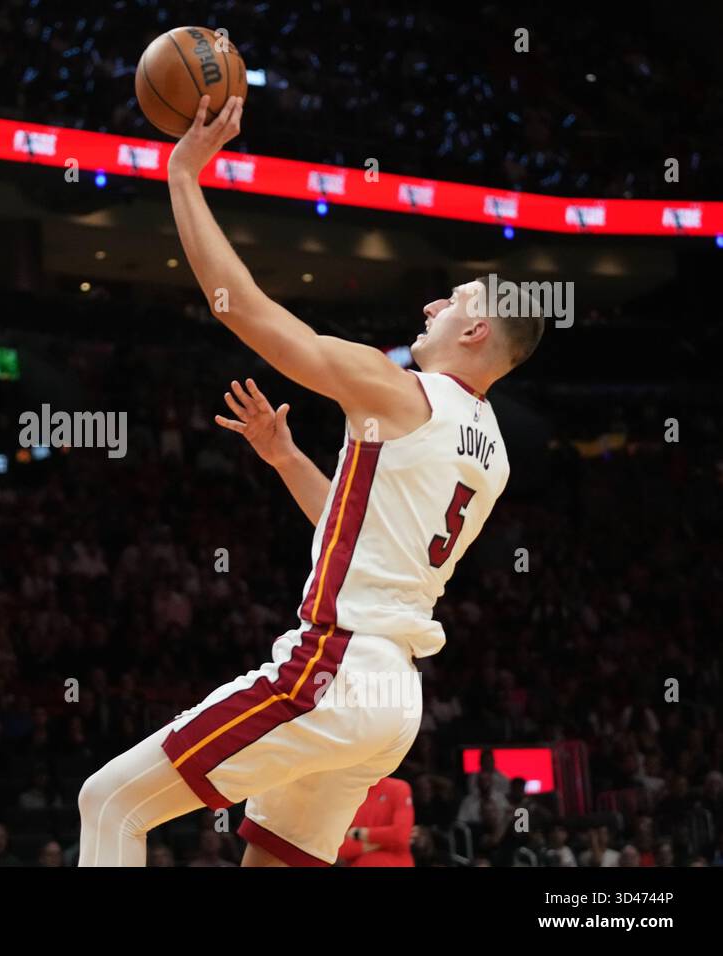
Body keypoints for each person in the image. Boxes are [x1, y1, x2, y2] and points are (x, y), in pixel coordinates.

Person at [79, 94, 542, 867]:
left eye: (452, 300)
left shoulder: (400, 390)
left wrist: (184, 178)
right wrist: (289, 457)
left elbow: (248, 313)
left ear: (475, 330)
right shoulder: (490, 448)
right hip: (394, 700)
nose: (430, 305)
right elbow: (365, 534)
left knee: (111, 802)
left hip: (335, 670)